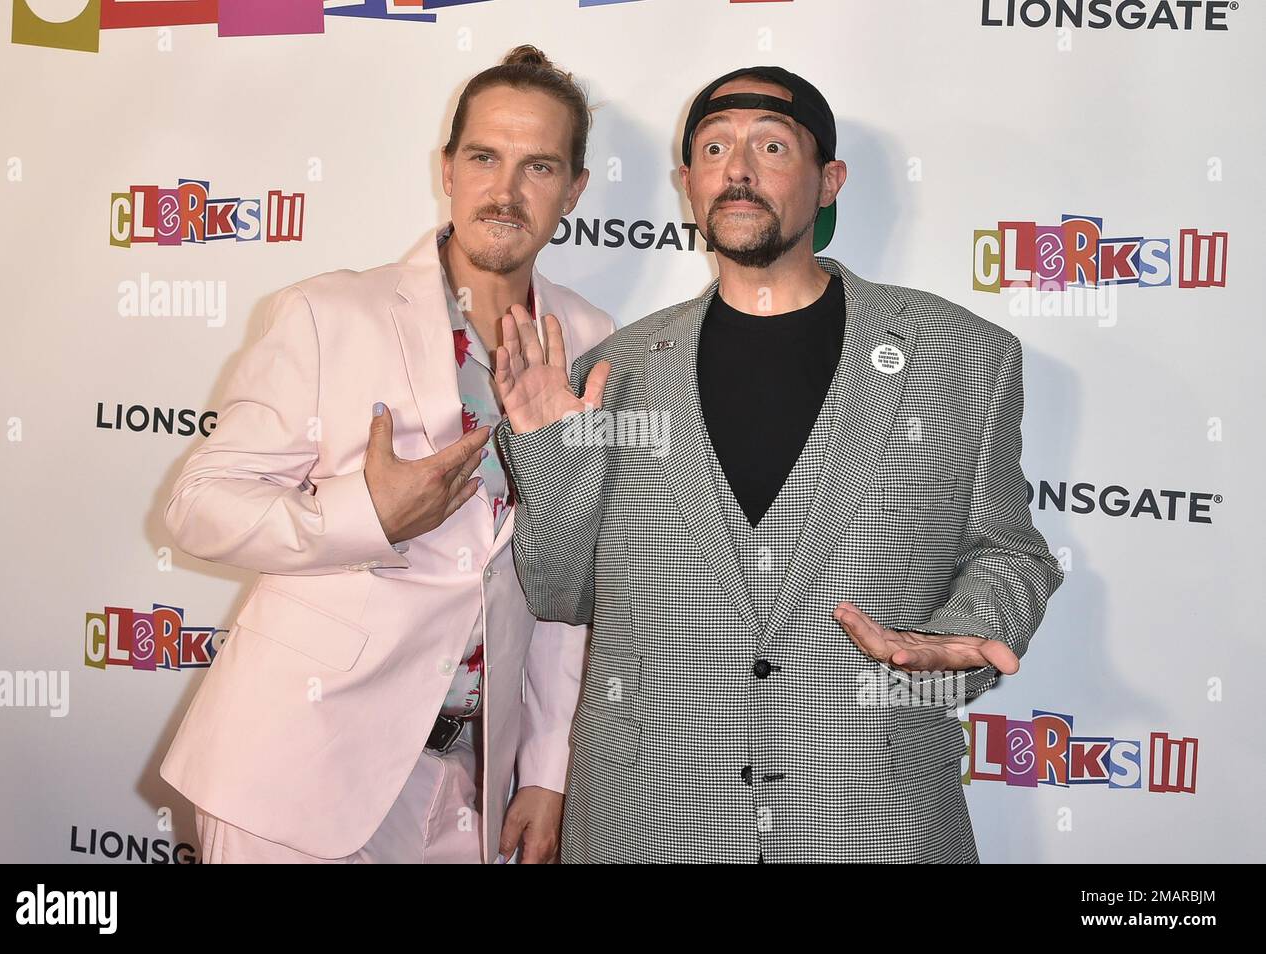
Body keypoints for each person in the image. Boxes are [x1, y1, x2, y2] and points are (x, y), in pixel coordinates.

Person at [495, 66, 1064, 863]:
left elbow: (1009, 553)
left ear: (829, 180)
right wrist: (546, 450)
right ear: (687, 182)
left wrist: (957, 639)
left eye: (771, 146)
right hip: (654, 820)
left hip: (872, 818)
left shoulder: (961, 358)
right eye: (715, 148)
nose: (738, 169)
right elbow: (561, 590)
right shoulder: (611, 374)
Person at [159, 45, 614, 863]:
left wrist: (547, 766)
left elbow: (570, 577)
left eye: (538, 166)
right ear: (447, 167)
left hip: (475, 784)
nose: (505, 192)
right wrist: (364, 515)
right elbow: (199, 506)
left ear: (574, 188)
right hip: (295, 770)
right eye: (484, 157)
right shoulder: (327, 313)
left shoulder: (593, 342)